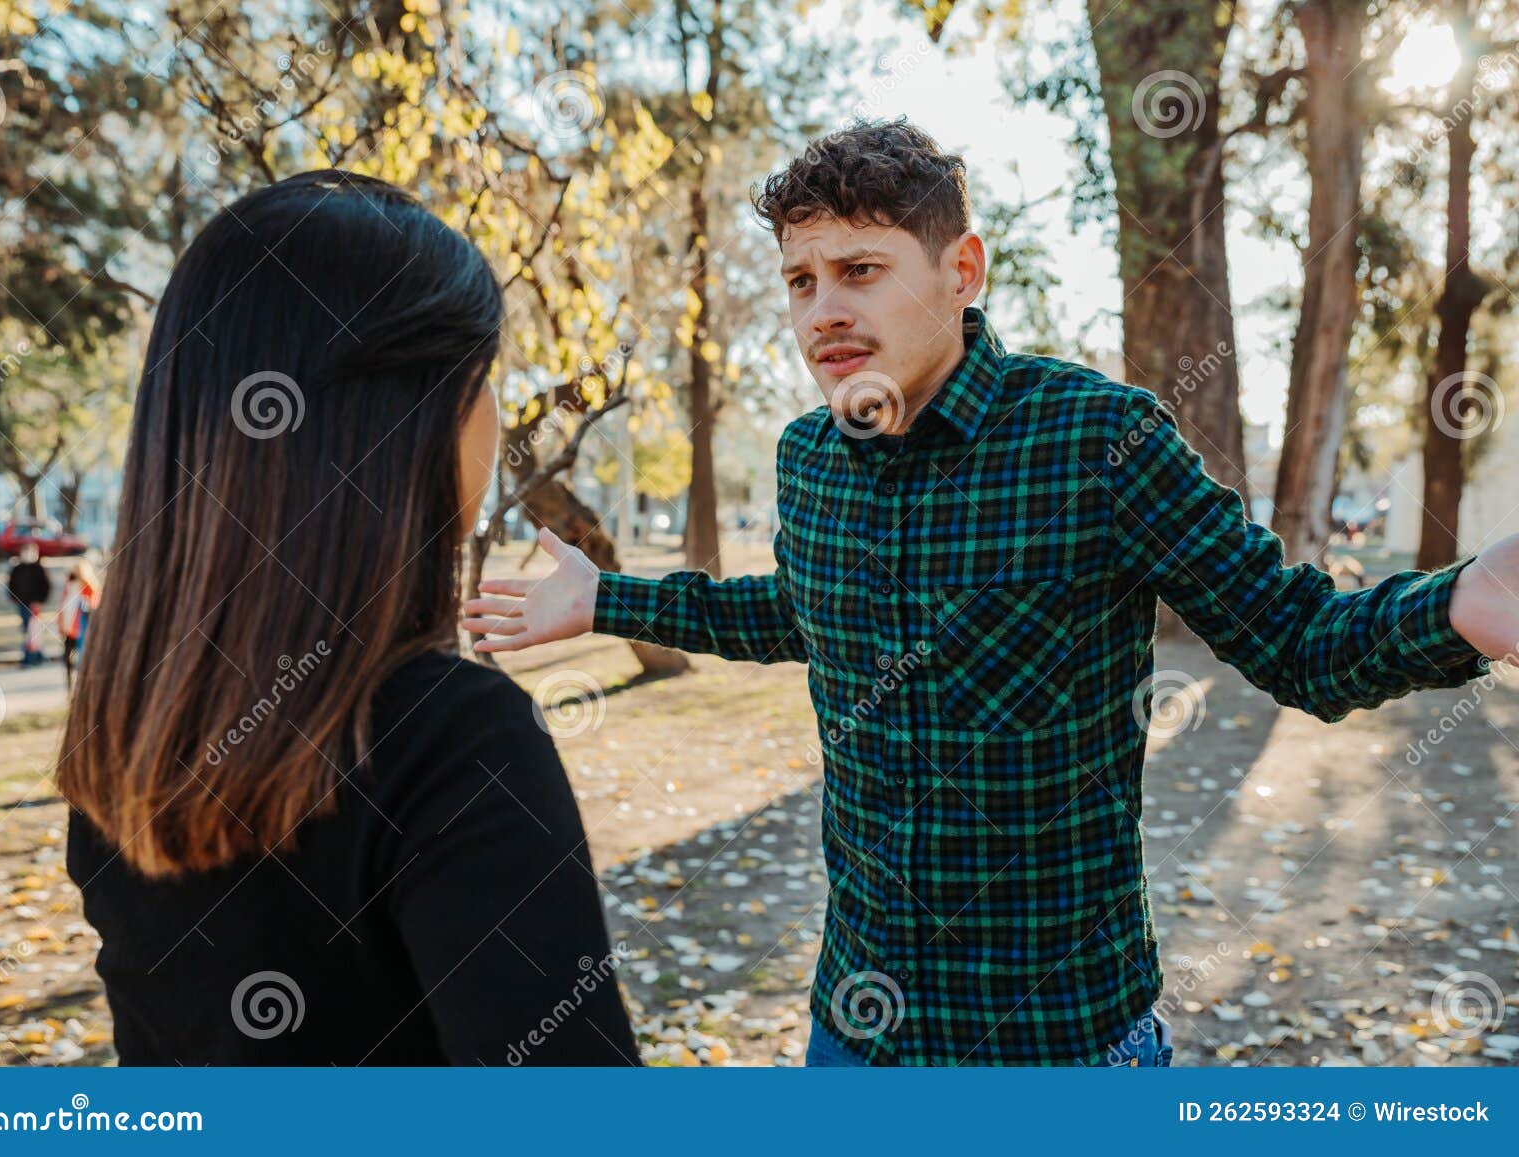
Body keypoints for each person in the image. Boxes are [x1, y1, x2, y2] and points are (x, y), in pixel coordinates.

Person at [463, 119, 1519, 1066]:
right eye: (799, 281)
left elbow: (1296, 636)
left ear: (961, 268)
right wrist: (610, 600)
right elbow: (797, 610)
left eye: (860, 269)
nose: (823, 310)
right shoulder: (808, 457)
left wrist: (1460, 602)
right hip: (854, 1035)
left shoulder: (1098, 439)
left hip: (1058, 1051)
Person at [56, 171, 638, 1066]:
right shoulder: (453, 742)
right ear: (400, 418)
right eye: (480, 376)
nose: (493, 410)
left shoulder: (123, 738)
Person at [57, 558, 102, 691]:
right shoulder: (69, 587)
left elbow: (93, 606)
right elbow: (63, 607)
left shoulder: (89, 588)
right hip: (69, 629)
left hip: (82, 630)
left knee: (83, 659)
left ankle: (84, 686)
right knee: (67, 659)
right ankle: (70, 686)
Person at [6, 544, 51, 666]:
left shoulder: (39, 569)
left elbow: (46, 587)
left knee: (33, 631)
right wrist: (14, 598)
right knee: (28, 631)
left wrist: (39, 601)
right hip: (22, 604)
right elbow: (11, 585)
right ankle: (36, 656)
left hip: (34, 605)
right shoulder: (18, 569)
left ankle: (31, 657)